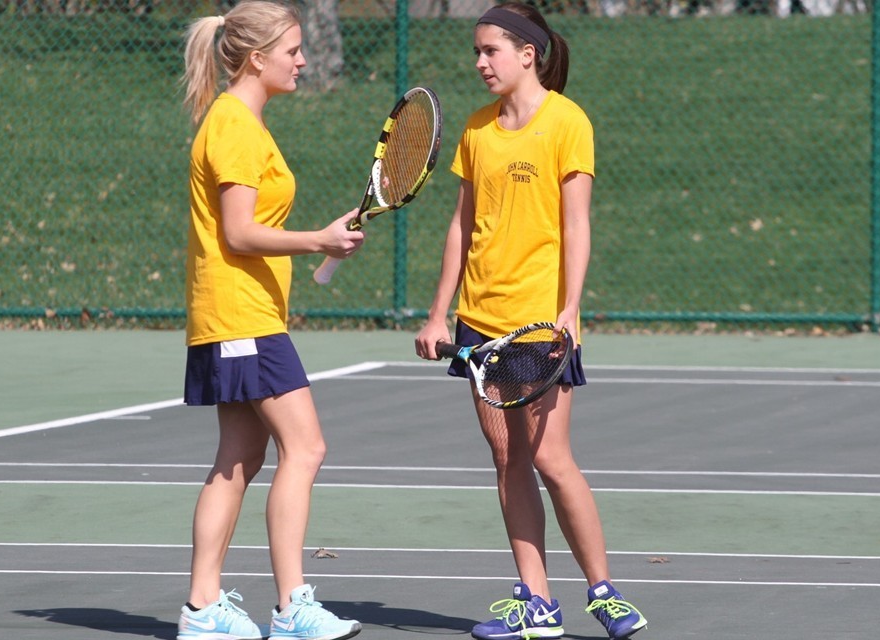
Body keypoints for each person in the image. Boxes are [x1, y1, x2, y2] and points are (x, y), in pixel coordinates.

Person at [413, 3, 647, 639]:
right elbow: (462, 225)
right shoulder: (476, 129)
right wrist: (439, 313)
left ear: (528, 54)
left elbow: (577, 223)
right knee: (507, 458)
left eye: (491, 50)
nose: (481, 62)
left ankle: (603, 591)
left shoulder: (567, 122)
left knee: (551, 458)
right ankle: (537, 603)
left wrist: (570, 307)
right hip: (478, 325)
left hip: (540, 326)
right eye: (476, 52)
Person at [177, 3, 364, 640]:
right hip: (241, 318)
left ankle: (204, 610)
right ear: (257, 58)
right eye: (292, 49)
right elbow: (237, 231)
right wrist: (318, 241)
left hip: (239, 315)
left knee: (238, 456)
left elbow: (252, 226)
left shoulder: (243, 122)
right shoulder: (233, 125)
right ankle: (292, 607)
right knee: (305, 446)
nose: (303, 59)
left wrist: (322, 238)